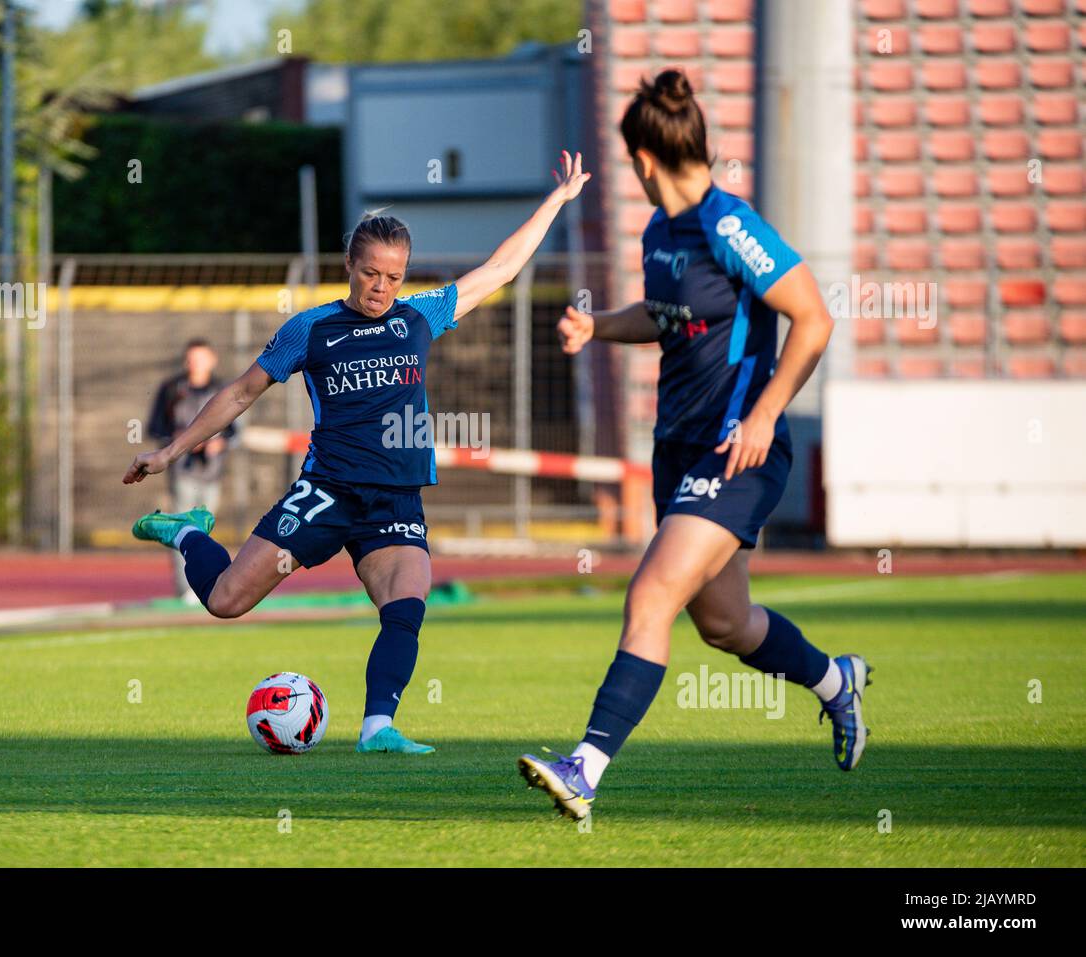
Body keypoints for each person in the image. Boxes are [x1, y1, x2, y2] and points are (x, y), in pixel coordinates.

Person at [123, 152, 591, 754]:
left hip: (394, 498)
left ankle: (377, 729)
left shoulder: (420, 317)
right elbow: (240, 391)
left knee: (406, 602)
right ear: (349, 265)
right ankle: (188, 533)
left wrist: (555, 201)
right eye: (371, 273)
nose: (381, 287)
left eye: (394, 276)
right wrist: (170, 451)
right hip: (328, 493)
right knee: (225, 601)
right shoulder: (310, 329)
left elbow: (500, 269)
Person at [518, 70, 870, 820]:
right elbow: (667, 313)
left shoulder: (728, 223)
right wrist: (598, 326)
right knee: (725, 623)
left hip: (735, 449)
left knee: (650, 595)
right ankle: (837, 681)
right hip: (676, 448)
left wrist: (768, 413)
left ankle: (584, 767)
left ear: (643, 160)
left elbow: (811, 317)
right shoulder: (660, 233)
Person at [146, 339, 238, 601]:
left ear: (212, 360)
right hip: (182, 473)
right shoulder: (172, 389)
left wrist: (218, 443)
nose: (195, 364)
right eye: (191, 359)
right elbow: (156, 428)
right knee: (185, 529)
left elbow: (234, 431)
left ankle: (205, 584)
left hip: (212, 473)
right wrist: (178, 441)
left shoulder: (224, 390)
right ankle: (185, 589)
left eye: (200, 358)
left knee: (204, 529)